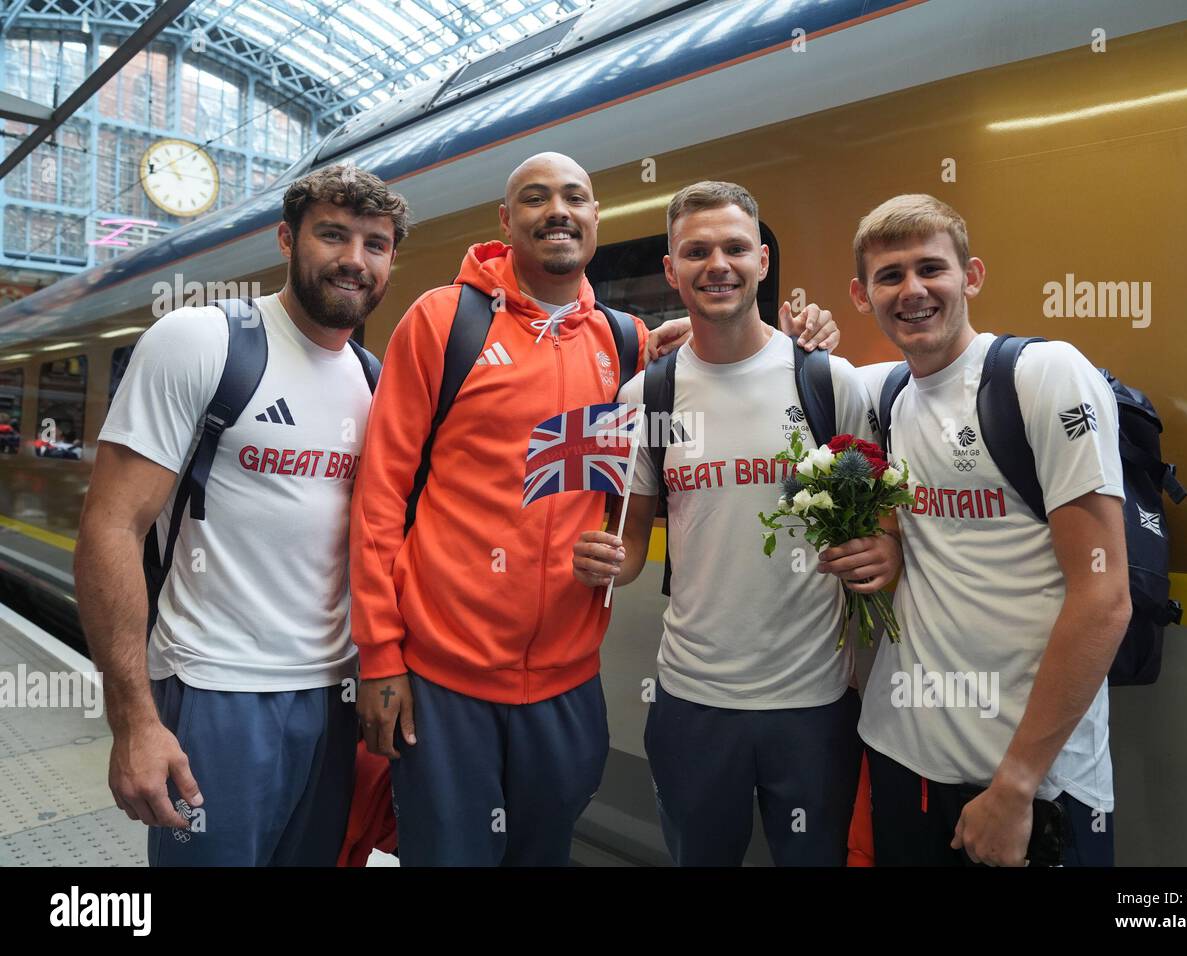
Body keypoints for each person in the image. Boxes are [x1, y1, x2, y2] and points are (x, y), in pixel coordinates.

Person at [349, 154, 839, 866]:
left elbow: (717, 377)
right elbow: (380, 497)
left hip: (568, 681)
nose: (557, 210)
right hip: (445, 680)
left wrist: (808, 337)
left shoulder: (626, 344)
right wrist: (380, 656)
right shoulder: (442, 322)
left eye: (574, 197)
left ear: (595, 218)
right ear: (506, 221)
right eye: (535, 198)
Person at [74, 164, 410, 866]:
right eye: (333, 235)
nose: (355, 259)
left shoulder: (377, 381)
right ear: (286, 239)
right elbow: (112, 525)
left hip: (332, 698)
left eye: (375, 244)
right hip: (216, 692)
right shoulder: (202, 341)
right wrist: (133, 720)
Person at [570, 181, 900, 866]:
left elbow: (884, 521)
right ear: (671, 270)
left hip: (815, 703)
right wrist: (603, 562)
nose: (716, 264)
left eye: (734, 248)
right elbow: (631, 547)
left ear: (762, 261)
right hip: (692, 701)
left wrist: (882, 552)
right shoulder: (646, 396)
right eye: (696, 251)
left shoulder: (829, 381)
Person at [848, 194, 1131, 866]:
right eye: (890, 276)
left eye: (930, 269)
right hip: (905, 759)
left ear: (971, 276)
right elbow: (765, 373)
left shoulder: (1043, 376)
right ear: (863, 295)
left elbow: (1105, 598)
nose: (912, 291)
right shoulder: (887, 393)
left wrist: (1016, 785)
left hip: (1032, 782)